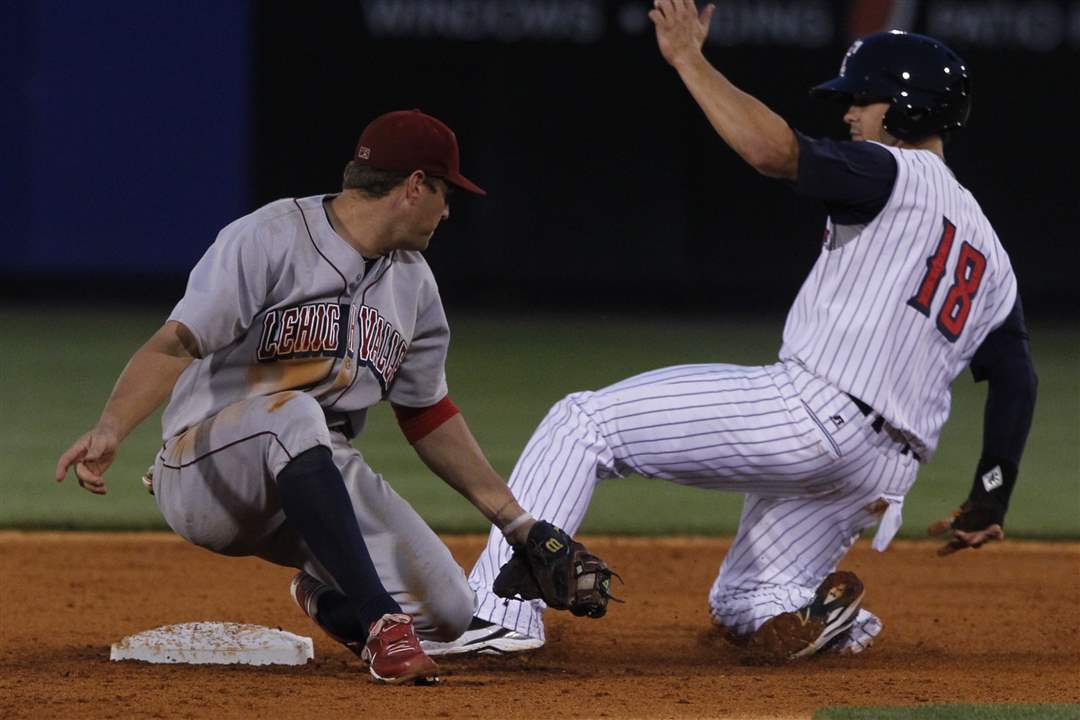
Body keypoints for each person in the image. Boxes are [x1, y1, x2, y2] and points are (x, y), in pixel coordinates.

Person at [421, 2, 1037, 662]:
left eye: (863, 100)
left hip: (814, 415)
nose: (851, 115)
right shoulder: (989, 249)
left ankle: (501, 609)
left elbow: (775, 153)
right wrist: (990, 494)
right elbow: (1015, 374)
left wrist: (689, 58)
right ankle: (814, 616)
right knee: (747, 603)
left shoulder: (893, 171)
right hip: (883, 471)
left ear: (907, 109)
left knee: (583, 425)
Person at [54, 109, 592, 684]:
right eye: (444, 191)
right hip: (207, 471)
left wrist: (518, 524)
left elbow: (427, 413)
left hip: (316, 478)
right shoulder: (269, 238)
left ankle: (328, 594)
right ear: (415, 185)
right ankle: (382, 623)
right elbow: (173, 346)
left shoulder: (413, 284)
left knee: (451, 609)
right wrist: (111, 428)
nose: (448, 210)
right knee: (296, 414)